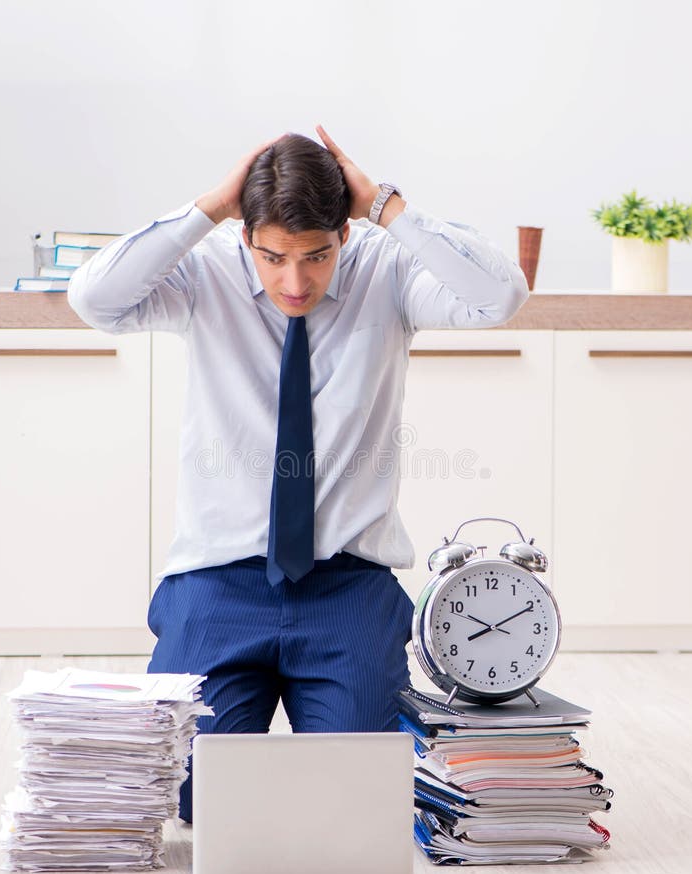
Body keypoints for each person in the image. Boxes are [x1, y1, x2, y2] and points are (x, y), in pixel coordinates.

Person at [68, 125, 529, 822]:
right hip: (218, 581)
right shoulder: (208, 270)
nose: (294, 281)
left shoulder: (385, 267)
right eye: (273, 256)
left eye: (315, 256)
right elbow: (94, 299)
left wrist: (385, 205)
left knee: (365, 795)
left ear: (343, 234)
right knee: (189, 797)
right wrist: (211, 208)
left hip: (347, 584)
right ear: (246, 235)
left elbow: (498, 298)